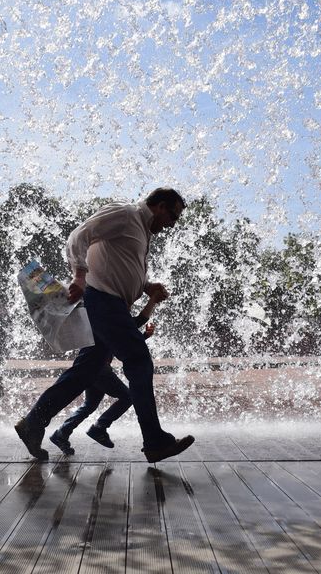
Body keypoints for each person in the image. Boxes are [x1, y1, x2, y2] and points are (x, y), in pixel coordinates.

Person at [14, 187, 195, 463]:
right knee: (138, 361)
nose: (173, 224)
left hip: (111, 305)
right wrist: (79, 275)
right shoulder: (126, 213)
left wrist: (146, 286)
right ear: (159, 205)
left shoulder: (141, 231)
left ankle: (33, 422)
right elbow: (79, 236)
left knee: (85, 373)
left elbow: (120, 264)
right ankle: (155, 441)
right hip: (102, 301)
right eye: (173, 216)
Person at [49, 295, 159, 455]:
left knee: (90, 405)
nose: (127, 309)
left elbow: (122, 340)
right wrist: (153, 301)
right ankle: (100, 427)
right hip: (98, 368)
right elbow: (140, 320)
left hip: (92, 367)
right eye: (125, 306)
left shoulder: (106, 319)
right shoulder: (109, 319)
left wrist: (144, 336)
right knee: (127, 397)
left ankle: (62, 433)